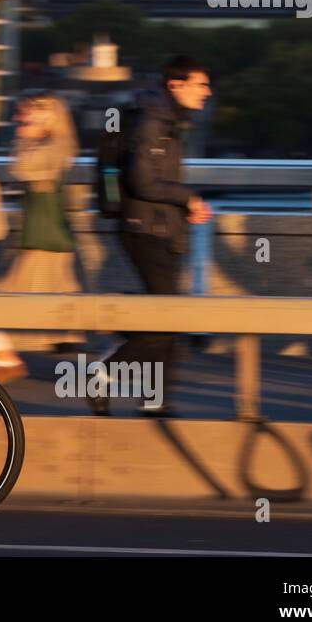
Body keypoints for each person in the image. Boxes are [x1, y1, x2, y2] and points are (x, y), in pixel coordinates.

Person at [90, 55, 213, 417]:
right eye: (201, 84)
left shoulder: (167, 120)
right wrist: (187, 198)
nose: (207, 92)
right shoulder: (153, 121)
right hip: (147, 230)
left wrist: (184, 206)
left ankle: (155, 399)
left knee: (167, 316)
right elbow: (142, 181)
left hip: (157, 227)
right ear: (176, 85)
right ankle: (101, 374)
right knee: (167, 318)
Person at [0, 92, 80, 382]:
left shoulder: (57, 145)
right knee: (44, 308)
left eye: (32, 114)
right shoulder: (50, 144)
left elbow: (20, 167)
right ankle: (4, 356)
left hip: (45, 242)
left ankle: (5, 358)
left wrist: (26, 136)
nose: (23, 119)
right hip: (40, 239)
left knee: (8, 305)